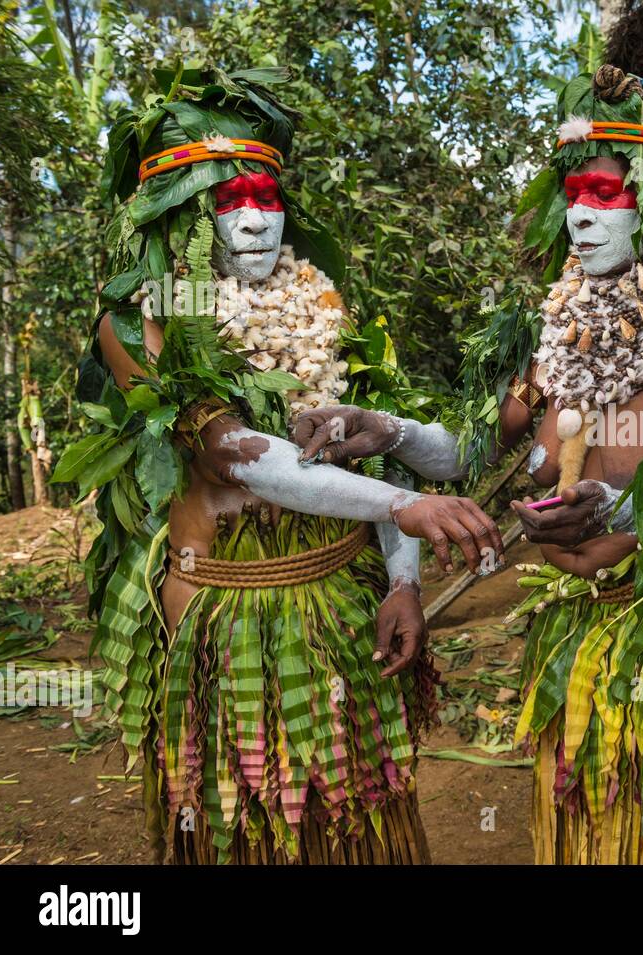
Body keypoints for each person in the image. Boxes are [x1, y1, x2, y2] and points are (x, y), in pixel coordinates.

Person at [292, 64, 643, 863]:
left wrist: (623, 512)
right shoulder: (550, 340)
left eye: (607, 195)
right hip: (571, 638)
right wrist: (386, 429)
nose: (580, 214)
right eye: (573, 193)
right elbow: (480, 459)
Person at [59, 65, 500, 863]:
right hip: (229, 614)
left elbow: (386, 451)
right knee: (249, 824)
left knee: (361, 820)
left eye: (269, 198)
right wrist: (402, 509)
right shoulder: (138, 322)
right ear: (187, 215)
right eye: (231, 202)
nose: (257, 221)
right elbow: (233, 453)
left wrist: (403, 580)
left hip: (340, 596)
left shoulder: (323, 301)